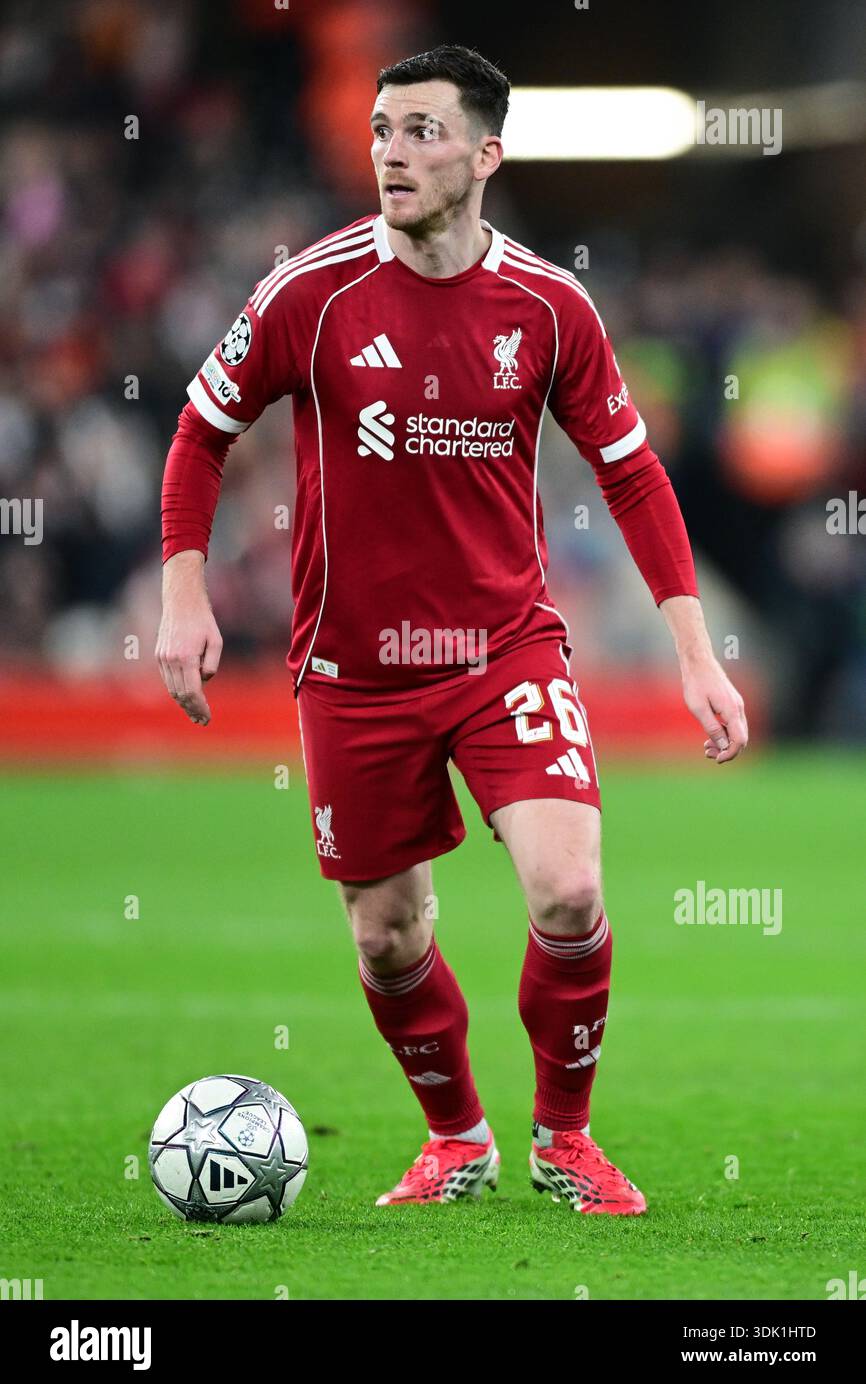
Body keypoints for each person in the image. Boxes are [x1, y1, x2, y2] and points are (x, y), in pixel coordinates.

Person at [157, 44, 748, 1212]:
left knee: (568, 894)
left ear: (485, 154)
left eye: (423, 131)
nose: (392, 152)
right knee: (386, 935)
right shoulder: (305, 293)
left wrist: (693, 652)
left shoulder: (546, 306)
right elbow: (197, 430)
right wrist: (183, 595)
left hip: (502, 649)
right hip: (351, 669)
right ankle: (455, 1138)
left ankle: (563, 1140)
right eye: (382, 129)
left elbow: (630, 475)